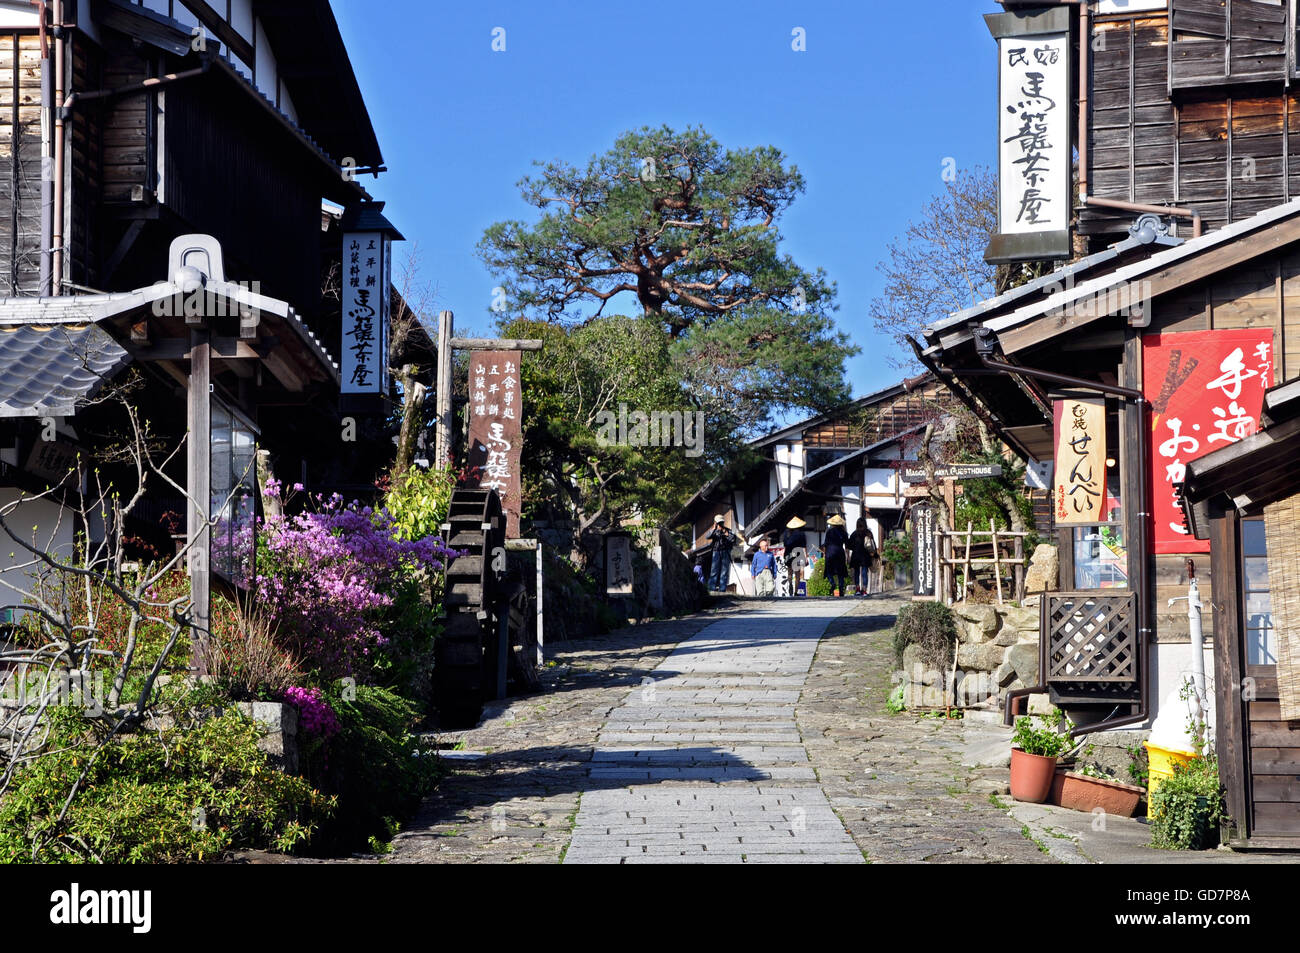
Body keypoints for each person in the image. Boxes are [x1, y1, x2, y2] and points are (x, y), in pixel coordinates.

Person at [705, 514, 737, 592]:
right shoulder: (714, 531)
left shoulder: (727, 530)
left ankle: (722, 589)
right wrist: (714, 528)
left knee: (724, 571)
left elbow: (733, 539)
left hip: (726, 551)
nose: (720, 524)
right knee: (714, 571)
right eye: (718, 522)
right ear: (715, 522)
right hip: (716, 551)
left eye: (721, 522)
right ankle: (711, 588)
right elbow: (707, 536)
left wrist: (725, 533)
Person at [848, 516, 877, 596]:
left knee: (856, 573)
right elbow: (873, 544)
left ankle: (857, 590)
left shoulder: (854, 534)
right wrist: (875, 554)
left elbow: (849, 545)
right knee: (865, 573)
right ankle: (864, 590)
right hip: (865, 556)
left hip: (856, 556)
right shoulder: (868, 533)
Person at [824, 514, 850, 597]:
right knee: (840, 572)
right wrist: (848, 556)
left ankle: (832, 583)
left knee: (828, 570)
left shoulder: (829, 531)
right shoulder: (844, 532)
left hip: (830, 552)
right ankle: (841, 589)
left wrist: (825, 554)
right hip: (840, 552)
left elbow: (826, 544)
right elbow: (847, 546)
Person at [782, 516, 809, 597]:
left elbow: (784, 544)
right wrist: (805, 557)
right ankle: (796, 592)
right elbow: (804, 546)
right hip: (797, 554)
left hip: (788, 554)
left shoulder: (786, 533)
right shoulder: (801, 534)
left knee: (789, 571)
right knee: (797, 574)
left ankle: (790, 583)